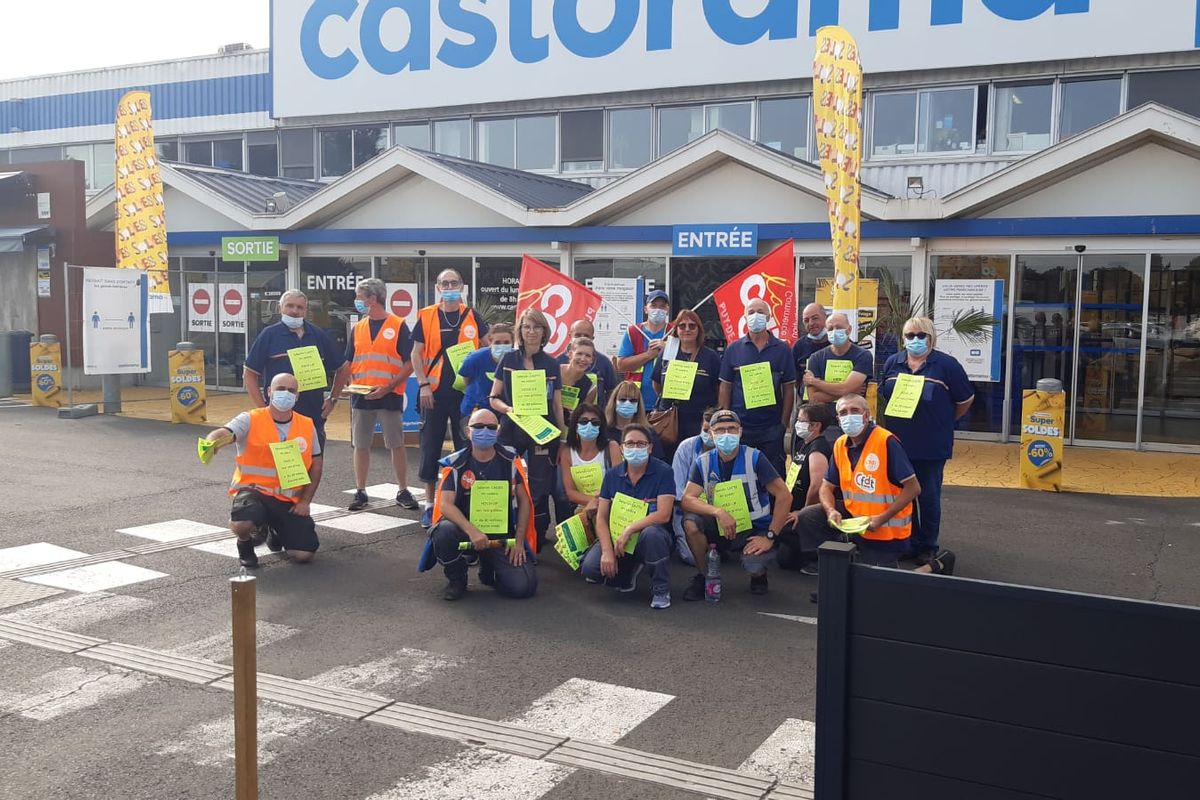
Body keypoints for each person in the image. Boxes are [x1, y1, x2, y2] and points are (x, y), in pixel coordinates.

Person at [790, 394, 953, 585]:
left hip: (885, 526)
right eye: (843, 413)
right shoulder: (841, 444)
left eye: (855, 411)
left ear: (866, 415)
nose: (848, 416)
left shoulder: (886, 442)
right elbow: (826, 486)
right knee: (809, 516)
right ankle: (836, 572)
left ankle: (935, 566)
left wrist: (881, 518)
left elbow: (913, 488)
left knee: (883, 587)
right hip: (856, 518)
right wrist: (831, 510)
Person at [878, 315, 974, 565]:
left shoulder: (946, 365)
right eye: (910, 335)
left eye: (922, 336)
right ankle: (908, 540)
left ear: (932, 338)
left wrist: (943, 421)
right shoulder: (892, 362)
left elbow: (964, 400)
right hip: (898, 443)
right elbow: (884, 395)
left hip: (931, 444)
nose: (916, 340)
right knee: (902, 495)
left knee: (928, 496)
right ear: (903, 339)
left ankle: (927, 545)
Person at [204, 373, 321, 569]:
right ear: (269, 392)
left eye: (291, 390)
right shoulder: (250, 419)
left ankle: (274, 529)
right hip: (254, 492)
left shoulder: (307, 425)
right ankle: (245, 543)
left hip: (288, 500)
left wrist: (305, 501)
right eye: (280, 389)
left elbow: (317, 465)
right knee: (243, 521)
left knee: (303, 554)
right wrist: (211, 441)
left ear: (297, 396)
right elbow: (225, 433)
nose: (286, 394)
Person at [420, 408, 537, 600]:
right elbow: (446, 505)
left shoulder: (510, 460)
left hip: (501, 535)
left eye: (491, 427)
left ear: (498, 431)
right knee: (443, 531)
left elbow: (524, 501)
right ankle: (457, 578)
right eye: (479, 426)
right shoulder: (456, 463)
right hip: (465, 533)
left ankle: (490, 568)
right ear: (468, 431)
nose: (485, 431)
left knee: (524, 587)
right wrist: (472, 531)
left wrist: (519, 539)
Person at [680, 410, 792, 599]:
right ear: (711, 434)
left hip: (753, 528)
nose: (726, 434)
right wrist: (718, 512)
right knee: (690, 524)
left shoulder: (755, 457)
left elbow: (784, 496)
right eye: (720, 430)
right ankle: (704, 575)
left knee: (754, 564)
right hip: (721, 524)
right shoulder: (703, 461)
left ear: (740, 432)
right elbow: (687, 499)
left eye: (731, 429)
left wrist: (770, 536)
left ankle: (759, 575)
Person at [332, 278, 419, 513]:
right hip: (361, 395)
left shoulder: (399, 325)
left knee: (396, 444)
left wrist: (389, 386)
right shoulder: (358, 327)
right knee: (361, 445)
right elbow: (349, 361)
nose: (357, 301)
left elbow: (410, 363)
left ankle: (402, 489)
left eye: (359, 297)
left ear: (372, 298)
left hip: (388, 395)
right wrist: (345, 385)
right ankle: (360, 491)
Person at [412, 268, 488, 527]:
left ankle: (462, 501)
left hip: (465, 396)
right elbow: (415, 354)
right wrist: (422, 384)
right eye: (444, 283)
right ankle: (430, 504)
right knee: (430, 447)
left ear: (463, 286)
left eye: (454, 282)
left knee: (465, 448)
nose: (449, 286)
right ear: (438, 287)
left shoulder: (472, 316)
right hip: (432, 393)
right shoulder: (427, 315)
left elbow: (488, 348)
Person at [489, 308, 566, 550]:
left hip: (543, 434)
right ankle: (505, 532)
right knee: (507, 483)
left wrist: (562, 438)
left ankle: (538, 534)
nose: (531, 332)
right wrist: (508, 409)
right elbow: (493, 398)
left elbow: (557, 404)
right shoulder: (508, 360)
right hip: (512, 432)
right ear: (520, 331)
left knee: (539, 485)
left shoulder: (552, 364)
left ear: (544, 332)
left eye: (536, 327)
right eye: (526, 327)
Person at [581, 424, 677, 609]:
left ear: (650, 448)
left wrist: (631, 529)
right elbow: (601, 517)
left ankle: (661, 588)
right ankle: (626, 574)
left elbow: (664, 514)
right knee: (591, 567)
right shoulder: (611, 475)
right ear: (622, 448)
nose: (635, 448)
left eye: (641, 444)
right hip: (618, 538)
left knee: (653, 535)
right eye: (630, 444)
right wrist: (607, 551)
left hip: (647, 537)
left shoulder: (664, 472)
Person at [244, 290, 345, 448]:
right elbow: (249, 373)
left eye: (299, 307)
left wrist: (333, 399)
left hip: (313, 415)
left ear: (306, 310)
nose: (294, 311)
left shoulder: (318, 335)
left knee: (314, 466)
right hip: (278, 417)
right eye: (289, 306)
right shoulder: (269, 335)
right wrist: (262, 409)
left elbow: (343, 368)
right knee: (279, 466)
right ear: (280, 308)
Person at [718, 298, 796, 476]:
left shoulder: (783, 349)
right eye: (751, 312)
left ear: (769, 316)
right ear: (744, 317)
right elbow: (725, 386)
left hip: (771, 426)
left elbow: (788, 388)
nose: (756, 316)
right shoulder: (733, 349)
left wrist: (783, 423)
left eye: (760, 312)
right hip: (741, 425)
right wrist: (726, 418)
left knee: (772, 476)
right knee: (739, 474)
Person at [650, 308, 721, 456]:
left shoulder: (710, 356)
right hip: (669, 422)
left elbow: (718, 388)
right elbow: (657, 383)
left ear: (699, 329)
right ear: (676, 330)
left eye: (692, 326)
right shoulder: (667, 353)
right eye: (682, 326)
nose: (687, 329)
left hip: (698, 421)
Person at [776, 403, 835, 572]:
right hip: (794, 503)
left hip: (807, 511)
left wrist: (802, 513)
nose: (797, 424)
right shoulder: (805, 444)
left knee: (780, 529)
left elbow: (817, 486)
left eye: (801, 420)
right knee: (784, 560)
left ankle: (818, 554)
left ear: (816, 426)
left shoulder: (818, 448)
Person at [559, 402, 622, 539]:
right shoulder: (567, 452)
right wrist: (591, 502)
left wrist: (601, 503)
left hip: (611, 506)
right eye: (583, 421)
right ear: (575, 425)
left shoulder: (611, 447)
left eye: (595, 422)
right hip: (584, 509)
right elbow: (570, 492)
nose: (589, 426)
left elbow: (619, 484)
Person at [670, 407, 717, 566]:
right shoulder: (685, 448)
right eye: (705, 429)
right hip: (686, 511)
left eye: (714, 431)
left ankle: (714, 546)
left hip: (721, 511)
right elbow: (677, 494)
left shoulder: (730, 450)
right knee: (692, 557)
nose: (709, 434)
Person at [613, 289, 671, 410]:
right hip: (634, 401)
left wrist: (668, 347)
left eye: (662, 306)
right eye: (653, 306)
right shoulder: (633, 331)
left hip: (665, 402)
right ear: (646, 309)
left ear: (667, 310)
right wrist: (648, 355)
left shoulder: (675, 332)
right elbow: (621, 365)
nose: (658, 310)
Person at [803, 312, 874, 407]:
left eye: (839, 327)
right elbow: (813, 398)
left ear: (849, 330)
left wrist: (815, 382)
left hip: (853, 413)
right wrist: (850, 392)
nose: (835, 332)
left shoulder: (863, 355)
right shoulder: (815, 358)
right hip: (824, 416)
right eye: (830, 329)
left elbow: (844, 389)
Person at [557, 319, 619, 410]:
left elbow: (611, 391)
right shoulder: (556, 363)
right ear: (570, 336)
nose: (582, 359)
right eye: (577, 335)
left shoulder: (604, 363)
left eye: (586, 335)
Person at [457, 322, 513, 420]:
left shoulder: (516, 359)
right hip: (475, 411)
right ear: (490, 342)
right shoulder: (474, 358)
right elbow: (466, 378)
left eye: (506, 342)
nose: (502, 346)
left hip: (504, 412)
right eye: (497, 342)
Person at [605, 379, 665, 461]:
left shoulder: (649, 432)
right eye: (622, 399)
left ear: (638, 405)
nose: (627, 403)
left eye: (633, 400)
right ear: (614, 402)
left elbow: (658, 463)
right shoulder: (604, 431)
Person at [559, 336, 600, 414]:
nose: (583, 359)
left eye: (588, 356)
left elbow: (581, 416)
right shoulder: (553, 372)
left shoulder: (591, 388)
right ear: (570, 354)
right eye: (579, 354)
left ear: (592, 360)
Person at [791, 302, 830, 384]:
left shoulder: (840, 344)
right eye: (806, 320)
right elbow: (794, 380)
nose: (811, 323)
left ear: (826, 318)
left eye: (815, 318)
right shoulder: (798, 347)